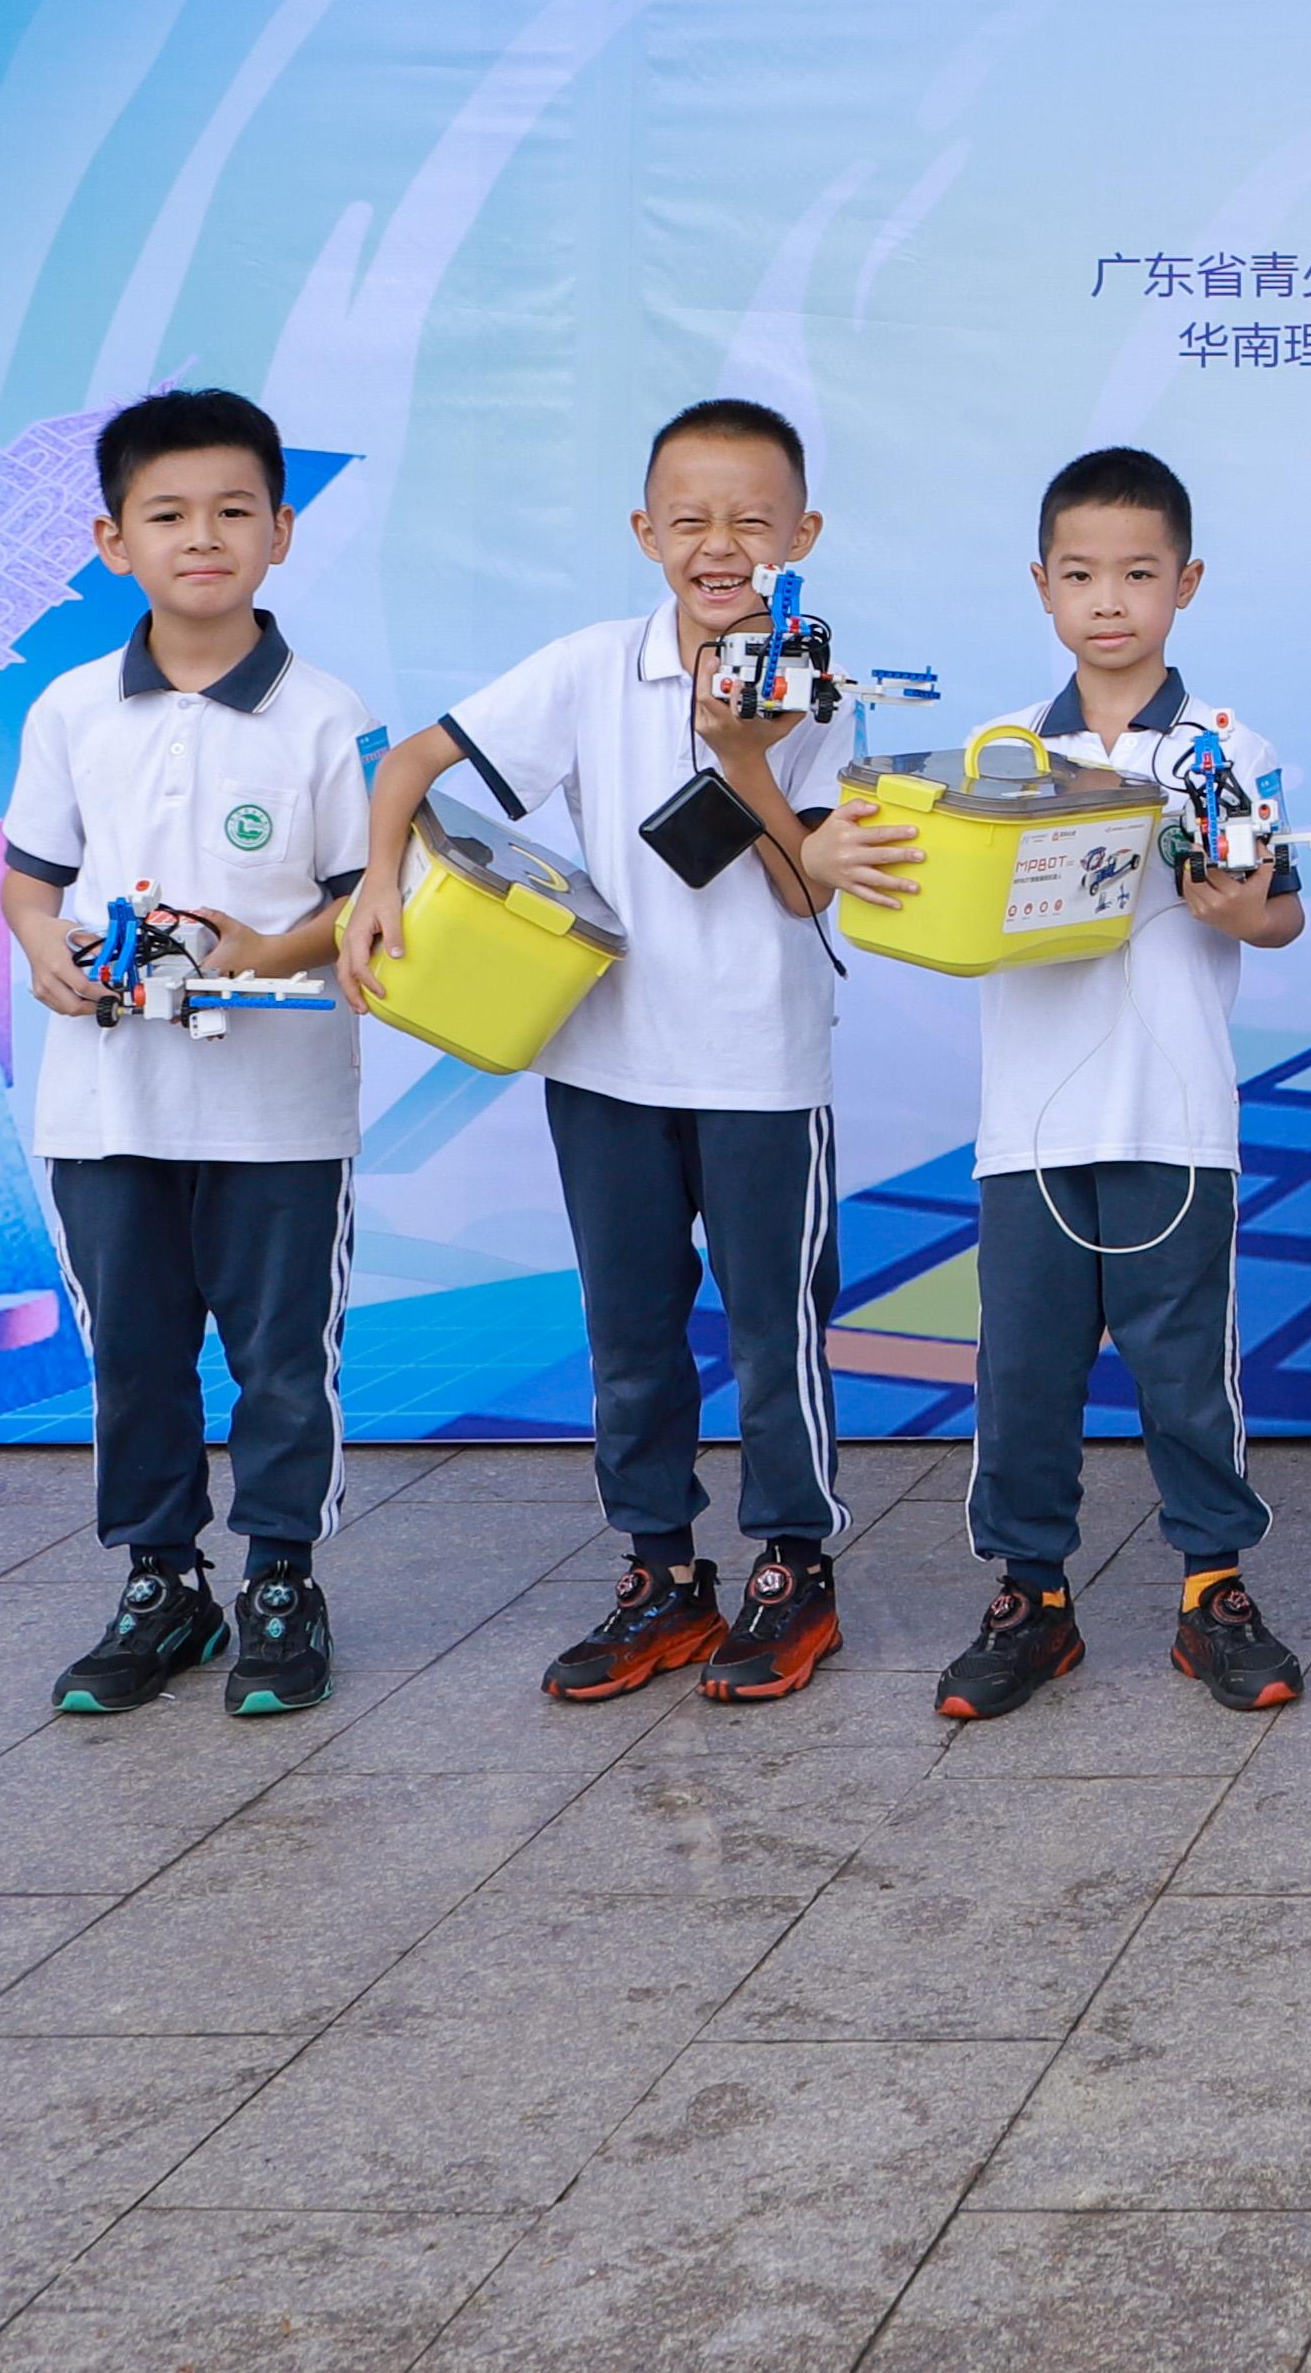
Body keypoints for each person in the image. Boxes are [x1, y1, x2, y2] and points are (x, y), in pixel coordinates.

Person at [346, 397, 925, 1709]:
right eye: (690, 518)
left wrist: (742, 754)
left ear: (803, 535)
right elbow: (413, 764)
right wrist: (383, 881)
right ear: (644, 529)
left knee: (777, 1333)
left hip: (762, 1068)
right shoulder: (588, 667)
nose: (721, 543)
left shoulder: (818, 687)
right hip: (603, 1065)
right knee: (630, 1336)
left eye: (753, 520)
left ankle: (793, 1569)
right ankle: (661, 1573)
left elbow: (804, 886)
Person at [1, 389, 376, 1720]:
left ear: (282, 530)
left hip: (279, 1108)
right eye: (167, 513)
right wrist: (44, 947)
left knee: (283, 1357)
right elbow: (29, 879)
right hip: (106, 1102)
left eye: (233, 510)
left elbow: (367, 901)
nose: (202, 536)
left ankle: (280, 1579)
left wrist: (270, 949)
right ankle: (162, 1580)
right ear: (114, 540)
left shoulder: (325, 714)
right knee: (136, 1355)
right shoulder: (70, 708)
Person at [933, 448, 1309, 1725]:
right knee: (1023, 1372)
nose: (1110, 599)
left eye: (1139, 573)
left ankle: (1214, 1588)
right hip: (1028, 1124)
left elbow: (1279, 914)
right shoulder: (999, 759)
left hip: (1176, 1113)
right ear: (1042, 585)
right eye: (1082, 573)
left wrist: (1242, 907)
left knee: (1185, 1369)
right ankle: (1030, 1595)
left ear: (1185, 583)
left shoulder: (1227, 745)